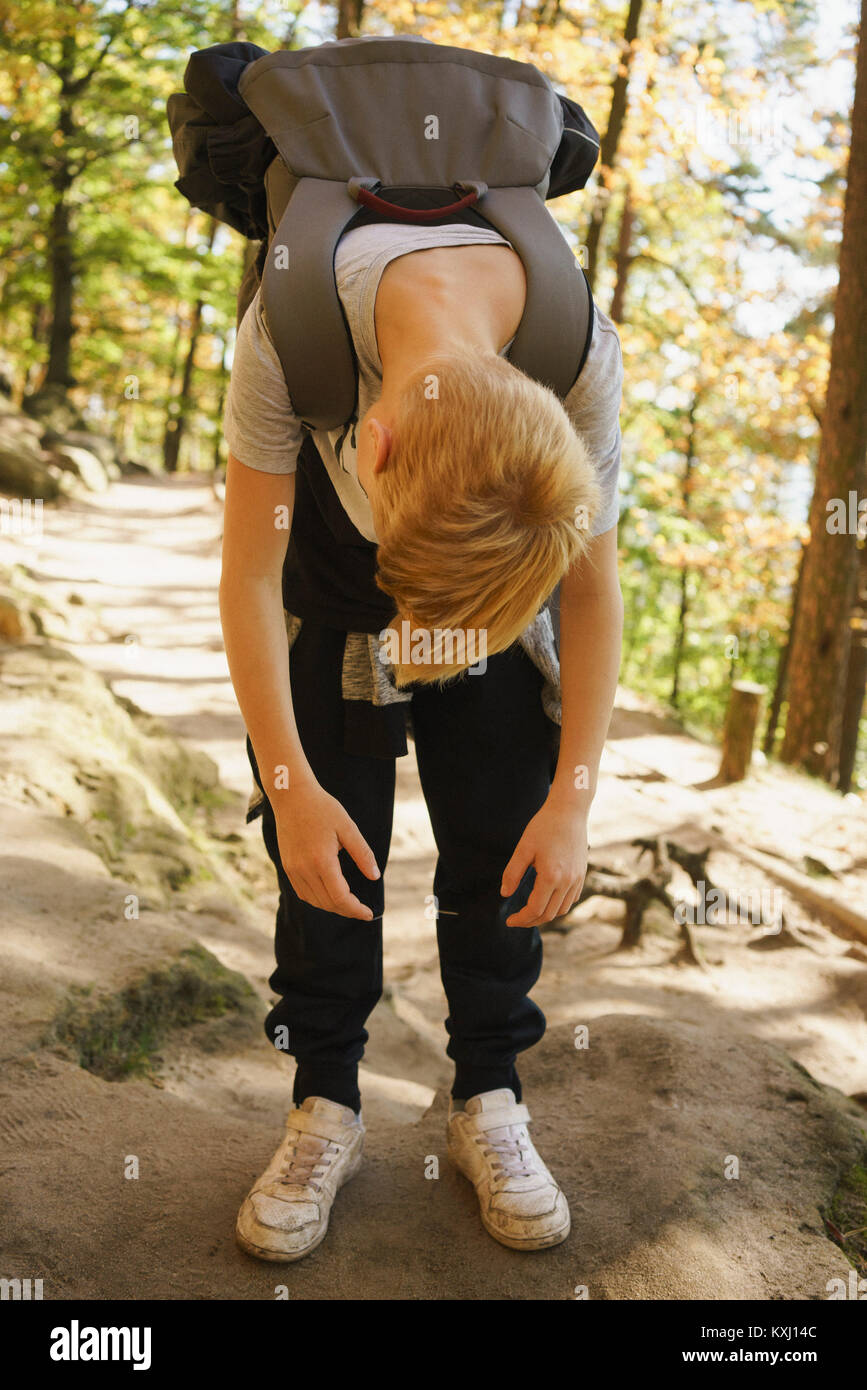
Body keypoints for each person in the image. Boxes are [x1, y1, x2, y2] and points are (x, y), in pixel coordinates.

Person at [219, 213, 624, 1261]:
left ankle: (489, 1095)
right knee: (318, 858)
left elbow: (590, 593)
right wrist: (291, 784)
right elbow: (250, 575)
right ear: (373, 445)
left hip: (496, 597)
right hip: (329, 600)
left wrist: (571, 799)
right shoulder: (291, 328)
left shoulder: (576, 352)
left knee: (500, 842)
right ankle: (324, 1105)